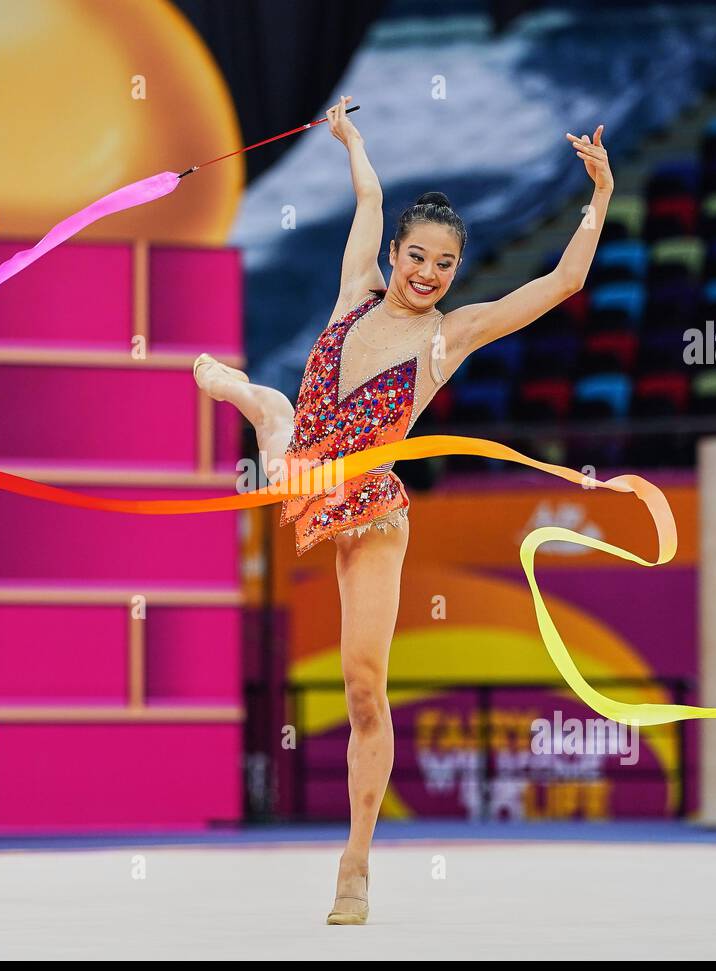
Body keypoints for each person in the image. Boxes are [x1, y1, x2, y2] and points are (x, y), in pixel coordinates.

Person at [194, 95, 612, 922]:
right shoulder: (356, 291)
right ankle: (263, 407)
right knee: (285, 434)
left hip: (374, 510)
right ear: (395, 256)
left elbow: (563, 282)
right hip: (311, 474)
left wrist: (598, 199)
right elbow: (372, 198)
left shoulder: (446, 338)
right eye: (417, 257)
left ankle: (355, 862)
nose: (428, 274)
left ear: (457, 271)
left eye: (445, 264)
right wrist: (350, 138)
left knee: (362, 685)